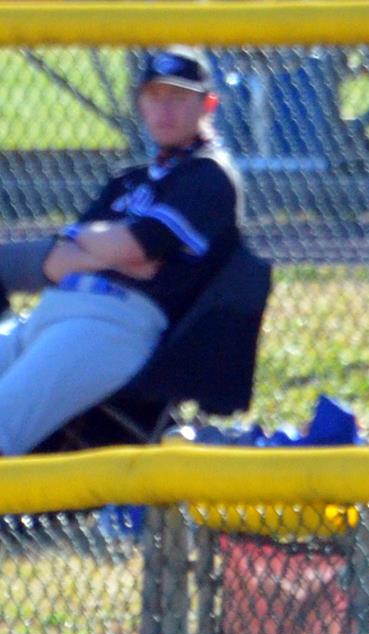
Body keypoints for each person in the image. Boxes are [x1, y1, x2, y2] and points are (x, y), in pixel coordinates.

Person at [0, 47, 242, 456]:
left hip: (117, 324)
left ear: (209, 104)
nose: (165, 109)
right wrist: (114, 250)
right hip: (52, 314)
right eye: (155, 97)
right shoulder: (126, 181)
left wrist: (104, 246)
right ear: (140, 104)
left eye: (179, 98)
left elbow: (136, 248)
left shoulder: (209, 176)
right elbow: (56, 261)